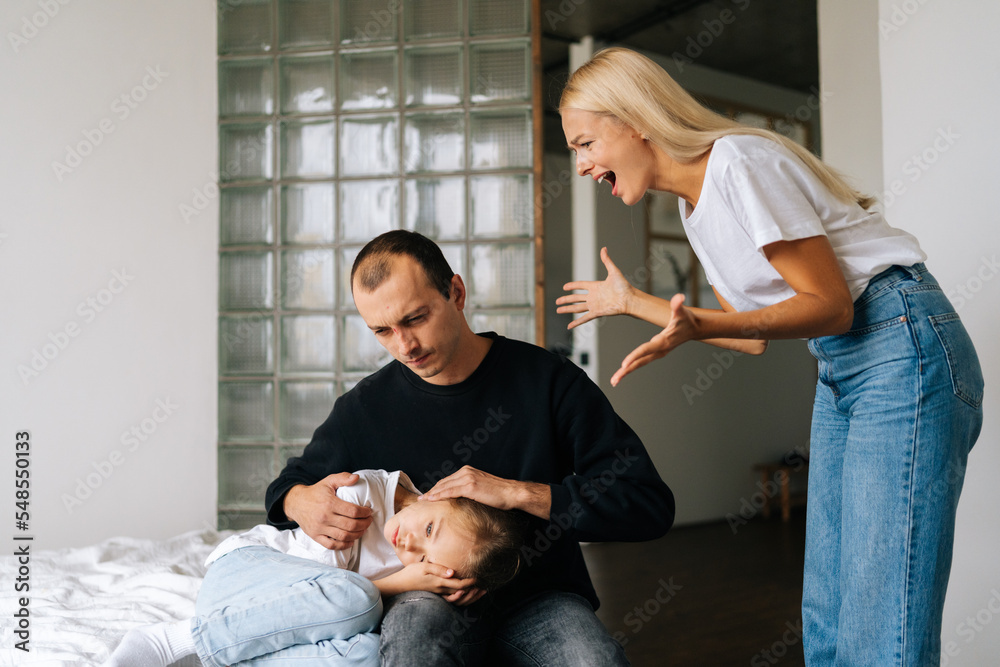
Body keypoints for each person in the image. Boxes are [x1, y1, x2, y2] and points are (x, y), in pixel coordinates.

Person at [556, 47, 984, 665]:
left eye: (585, 142)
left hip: (901, 344)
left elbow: (831, 303)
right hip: (842, 361)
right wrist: (635, 302)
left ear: (634, 121)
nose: (580, 163)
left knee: (882, 610)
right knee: (831, 610)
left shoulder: (738, 163)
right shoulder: (693, 206)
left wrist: (697, 320)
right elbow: (749, 333)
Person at [266, 229, 675, 666]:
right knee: (413, 644)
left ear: (456, 293)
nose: (404, 346)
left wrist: (521, 494)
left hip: (539, 598)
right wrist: (300, 501)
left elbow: (647, 505)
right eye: (382, 331)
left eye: (415, 319)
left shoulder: (549, 382)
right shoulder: (364, 408)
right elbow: (287, 487)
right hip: (424, 599)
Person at [102, 468, 523, 667]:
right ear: (438, 494)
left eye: (426, 561)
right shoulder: (361, 496)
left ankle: (226, 661)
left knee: (365, 656)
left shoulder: (420, 561)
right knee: (357, 601)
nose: (410, 544)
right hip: (245, 578)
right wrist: (400, 582)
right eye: (430, 528)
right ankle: (171, 640)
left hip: (266, 625)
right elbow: (324, 594)